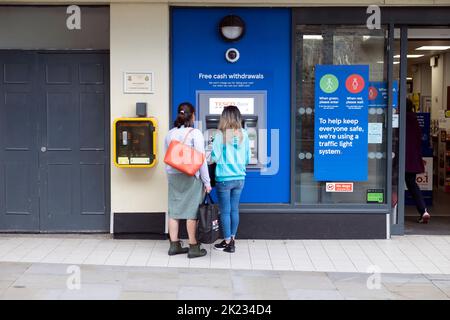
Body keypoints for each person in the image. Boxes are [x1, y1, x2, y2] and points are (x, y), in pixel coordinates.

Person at [165, 102, 212, 258]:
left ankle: (174, 245)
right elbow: (201, 160)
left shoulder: (170, 133)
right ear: (192, 116)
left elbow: (167, 157)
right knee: (192, 212)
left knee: (174, 211)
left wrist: (169, 177)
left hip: (173, 175)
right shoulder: (195, 133)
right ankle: (193, 247)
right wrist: (207, 182)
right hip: (190, 175)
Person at [211, 106, 250, 253]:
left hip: (224, 178)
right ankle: (232, 239)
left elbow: (214, 157)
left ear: (224, 118)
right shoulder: (244, 134)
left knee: (225, 211)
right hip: (240, 178)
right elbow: (247, 158)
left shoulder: (220, 135)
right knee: (234, 209)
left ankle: (227, 242)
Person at [405, 98, 430, 224]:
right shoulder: (414, 119)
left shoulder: (402, 119)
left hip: (401, 159)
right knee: (412, 184)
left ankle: (391, 211)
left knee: (392, 183)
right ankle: (423, 210)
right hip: (413, 159)